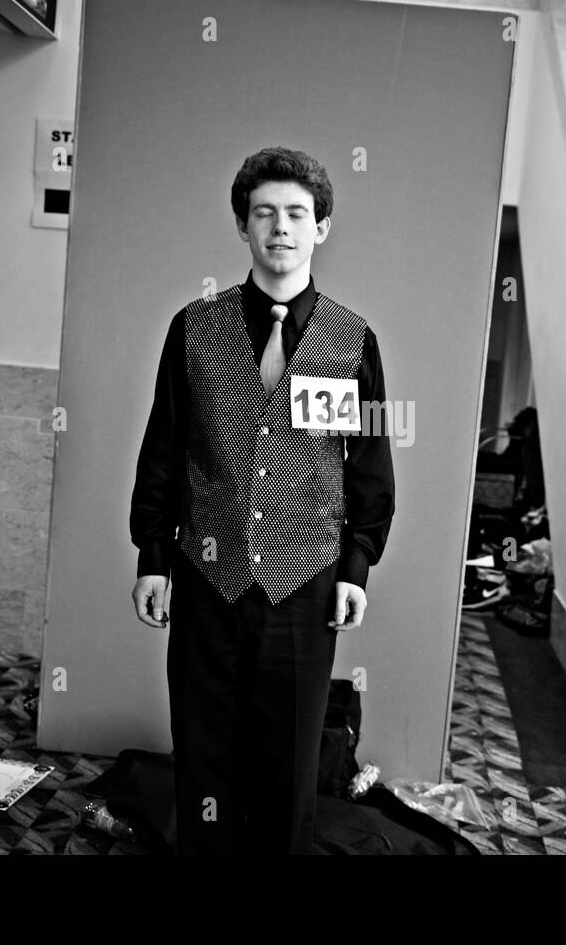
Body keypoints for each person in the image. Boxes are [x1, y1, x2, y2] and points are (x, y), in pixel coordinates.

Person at [128, 147, 396, 854]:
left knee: (289, 759)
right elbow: (164, 448)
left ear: (322, 228)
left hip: (304, 581)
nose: (281, 227)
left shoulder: (352, 341)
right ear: (243, 227)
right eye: (264, 213)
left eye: (297, 214)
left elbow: (369, 466)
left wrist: (356, 567)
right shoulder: (194, 328)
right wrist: (152, 555)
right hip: (206, 572)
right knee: (205, 747)